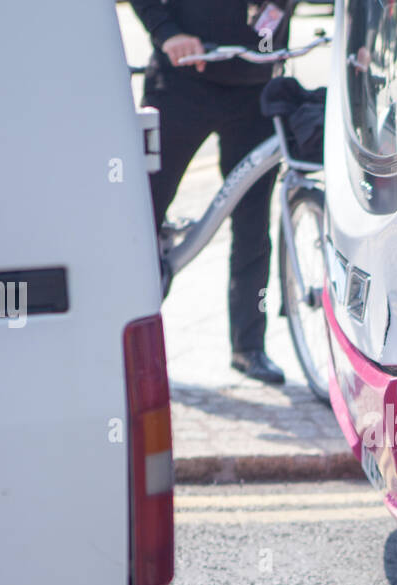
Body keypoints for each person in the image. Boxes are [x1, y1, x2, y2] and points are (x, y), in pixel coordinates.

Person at [130, 0, 293, 384]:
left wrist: (362, 43)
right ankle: (126, 337)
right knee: (140, 215)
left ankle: (248, 346)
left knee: (253, 224)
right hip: (182, 82)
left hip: (257, 91)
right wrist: (167, 32)